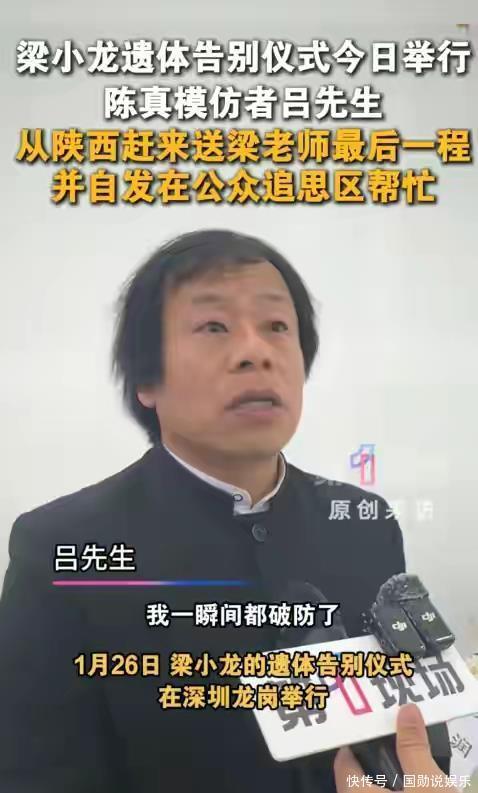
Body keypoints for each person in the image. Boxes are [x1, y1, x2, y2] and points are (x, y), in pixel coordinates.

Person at [0, 229, 449, 792]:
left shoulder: (364, 520)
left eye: (277, 326)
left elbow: (405, 722)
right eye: (213, 327)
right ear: (146, 379)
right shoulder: (60, 547)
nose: (255, 351)